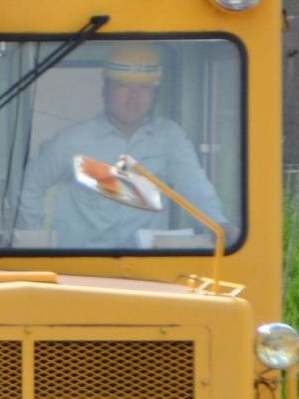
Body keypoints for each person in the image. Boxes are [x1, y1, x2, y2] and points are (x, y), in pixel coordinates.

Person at [12, 43, 227, 249]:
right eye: (123, 86)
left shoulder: (169, 138)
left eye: (145, 88)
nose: (134, 97)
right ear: (106, 91)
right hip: (81, 267)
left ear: (155, 95)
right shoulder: (73, 141)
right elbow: (28, 186)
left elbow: (194, 185)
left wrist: (219, 225)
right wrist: (32, 241)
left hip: (147, 270)